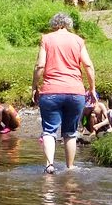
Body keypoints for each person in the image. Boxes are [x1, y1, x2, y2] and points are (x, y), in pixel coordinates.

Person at [33, 11, 95, 174]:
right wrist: (92, 88)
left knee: (49, 130)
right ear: (68, 25)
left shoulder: (46, 39)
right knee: (70, 132)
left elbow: (40, 66)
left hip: (51, 91)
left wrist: (34, 87)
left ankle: (50, 165)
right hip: (75, 92)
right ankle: (70, 167)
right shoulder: (78, 41)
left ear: (54, 25)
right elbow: (88, 65)